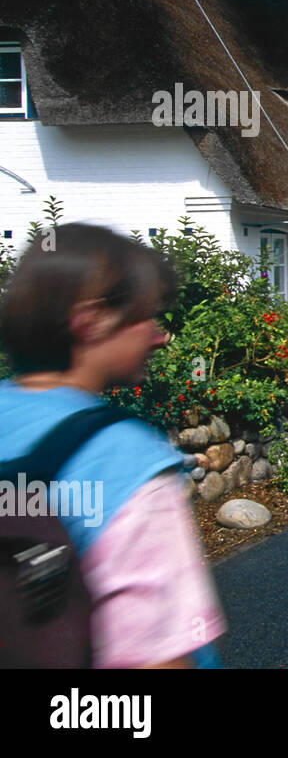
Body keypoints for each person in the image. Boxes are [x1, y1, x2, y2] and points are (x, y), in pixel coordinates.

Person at [0, 223, 226, 666]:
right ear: (91, 320)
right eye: (144, 317)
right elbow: (158, 656)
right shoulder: (122, 456)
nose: (158, 335)